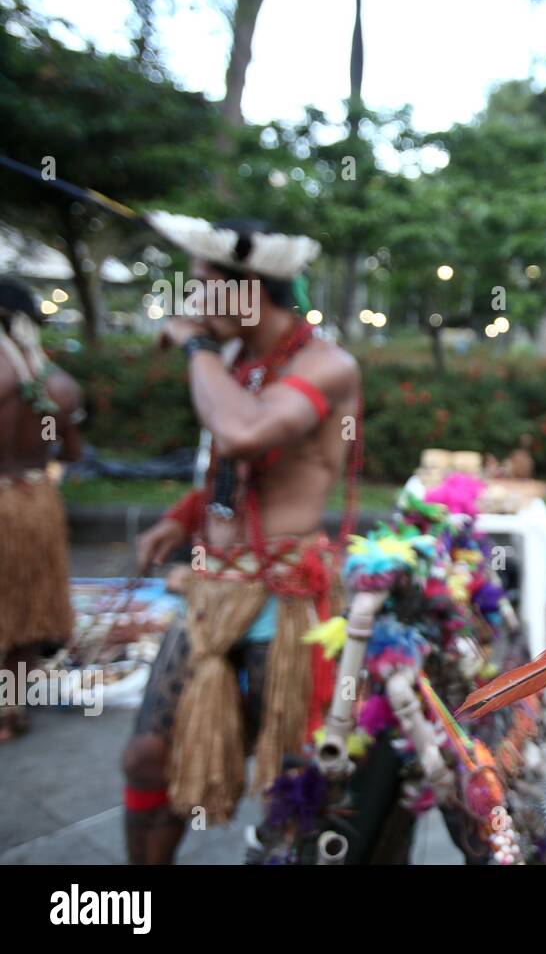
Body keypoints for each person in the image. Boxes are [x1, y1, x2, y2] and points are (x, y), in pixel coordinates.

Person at [120, 216, 361, 864]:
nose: (194, 304)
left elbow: (247, 432)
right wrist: (185, 513)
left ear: (250, 291)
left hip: (285, 599)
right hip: (212, 591)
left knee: (289, 785)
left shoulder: (327, 364)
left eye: (205, 288)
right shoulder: (238, 362)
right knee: (146, 759)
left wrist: (195, 346)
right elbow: (229, 464)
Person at [0, 275, 82, 742]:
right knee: (27, 608)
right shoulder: (59, 387)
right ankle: (11, 706)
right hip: (36, 503)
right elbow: (69, 453)